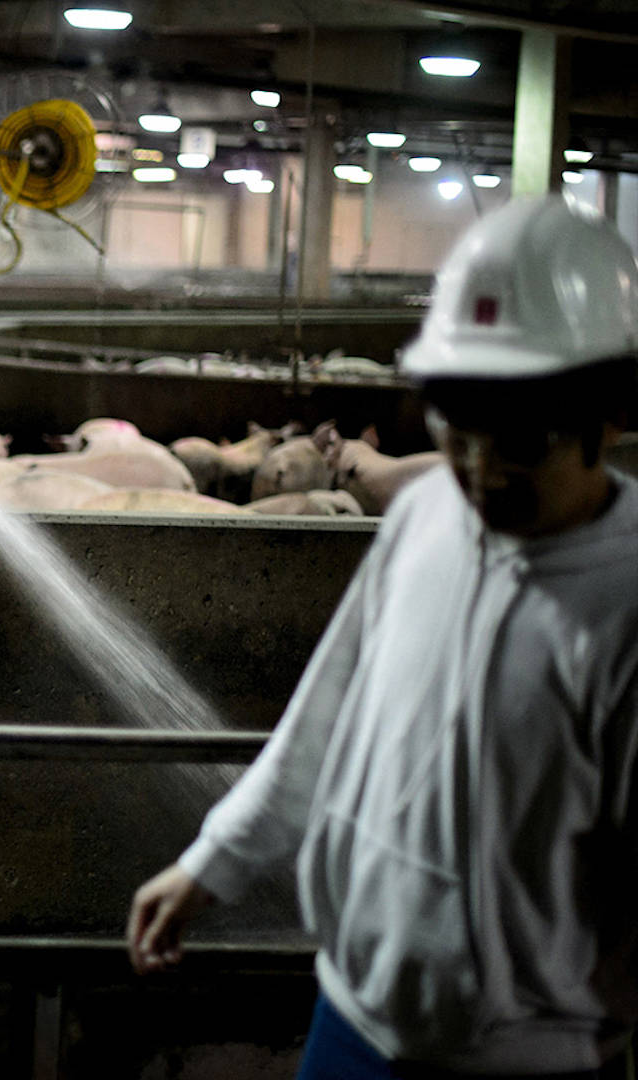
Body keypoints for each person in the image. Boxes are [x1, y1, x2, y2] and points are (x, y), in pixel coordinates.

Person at [127, 195, 638, 1079]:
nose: (477, 467)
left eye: (514, 437)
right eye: (456, 425)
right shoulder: (427, 515)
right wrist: (214, 859)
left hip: (531, 1056)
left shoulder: (626, 601)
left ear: (607, 414)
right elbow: (328, 714)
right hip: (353, 1015)